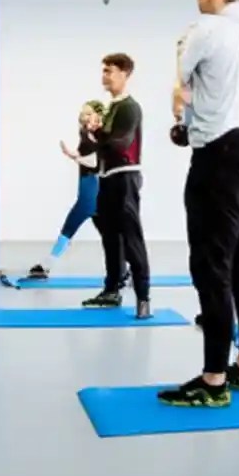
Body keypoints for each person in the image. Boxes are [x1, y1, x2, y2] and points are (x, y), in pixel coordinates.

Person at [158, 0, 239, 408]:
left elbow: (180, 88)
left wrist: (179, 53)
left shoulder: (207, 29)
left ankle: (212, 381)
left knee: (212, 267)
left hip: (217, 155)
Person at [82, 55, 152, 319]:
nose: (105, 75)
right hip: (108, 177)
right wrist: (94, 132)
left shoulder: (130, 108)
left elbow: (121, 144)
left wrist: (100, 137)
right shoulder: (111, 108)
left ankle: (143, 297)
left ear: (124, 74)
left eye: (109, 71)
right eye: (103, 71)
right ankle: (112, 290)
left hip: (125, 178)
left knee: (132, 238)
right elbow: (106, 142)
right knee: (111, 238)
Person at [27, 100, 105, 279]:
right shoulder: (86, 135)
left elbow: (96, 163)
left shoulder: (102, 137)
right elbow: (90, 158)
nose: (86, 119)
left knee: (70, 227)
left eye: (89, 114)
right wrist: (75, 155)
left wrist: (74, 156)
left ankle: (46, 266)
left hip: (91, 191)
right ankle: (126, 270)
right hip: (90, 188)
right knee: (109, 235)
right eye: (84, 115)